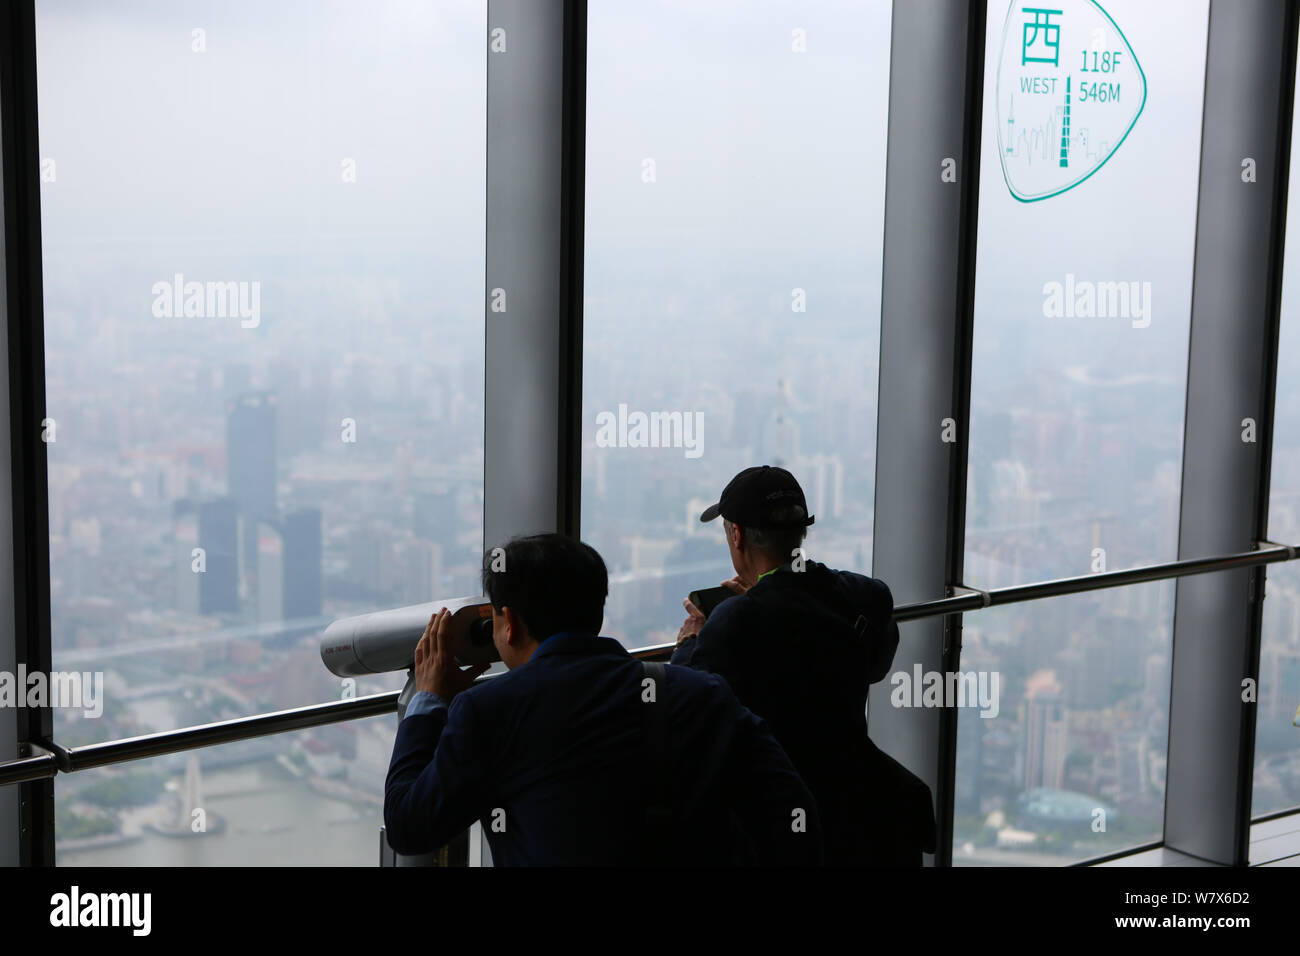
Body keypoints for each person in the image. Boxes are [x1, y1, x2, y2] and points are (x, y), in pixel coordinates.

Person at [384, 532, 822, 866]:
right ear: (597, 610)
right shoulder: (698, 693)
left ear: (510, 623)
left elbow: (409, 826)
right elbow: (794, 810)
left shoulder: (488, 713)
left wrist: (427, 701)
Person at [672, 465, 935, 865]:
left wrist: (691, 639)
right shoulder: (866, 596)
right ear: (801, 532)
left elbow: (690, 704)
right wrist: (767, 593)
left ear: (736, 535)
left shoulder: (733, 623)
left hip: (780, 816)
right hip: (863, 808)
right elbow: (875, 667)